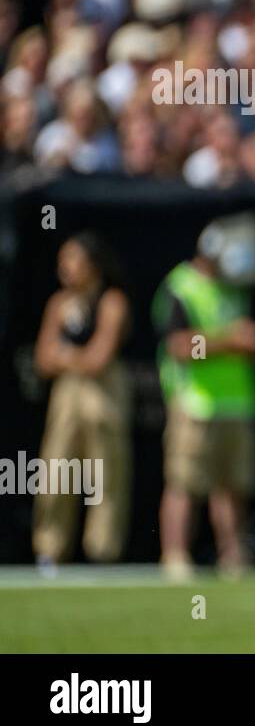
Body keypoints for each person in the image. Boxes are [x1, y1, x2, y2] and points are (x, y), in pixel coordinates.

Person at [151, 213, 255, 579]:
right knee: (185, 483)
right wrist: (230, 341)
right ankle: (175, 558)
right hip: (194, 402)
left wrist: (250, 344)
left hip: (237, 401)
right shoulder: (180, 287)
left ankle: (233, 558)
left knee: (232, 487)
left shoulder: (235, 287)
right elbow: (180, 348)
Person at [32, 232, 132, 569]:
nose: (65, 268)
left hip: (104, 395)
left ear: (93, 264)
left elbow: (99, 359)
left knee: (106, 473)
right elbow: (42, 359)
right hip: (67, 397)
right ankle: (51, 547)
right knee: (56, 468)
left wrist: (65, 355)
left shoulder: (111, 301)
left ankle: (103, 549)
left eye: (73, 260)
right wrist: (74, 358)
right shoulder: (58, 304)